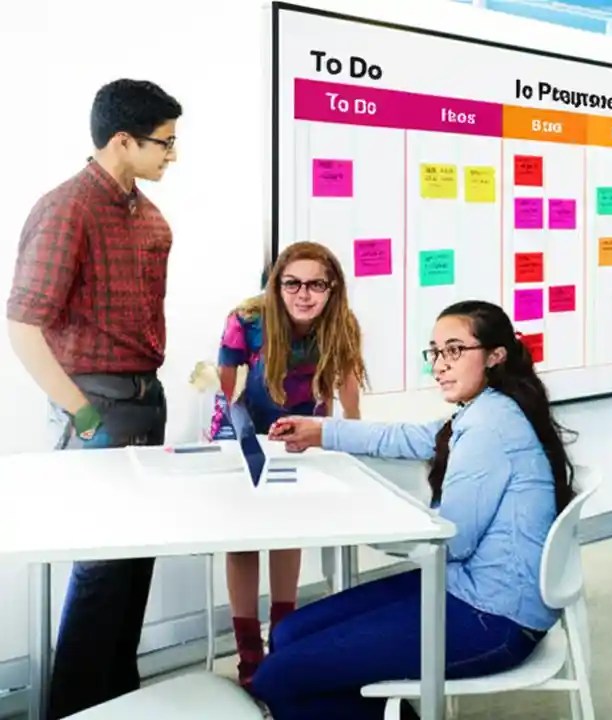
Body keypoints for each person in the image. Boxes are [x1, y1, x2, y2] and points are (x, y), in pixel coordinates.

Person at [249, 300, 574, 720]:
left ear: (496, 356)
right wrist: (323, 431)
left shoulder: (490, 425)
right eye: (435, 352)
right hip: (466, 589)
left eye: (455, 350)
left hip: (494, 619)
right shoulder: (484, 409)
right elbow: (409, 437)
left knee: (279, 677)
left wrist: (366, 518)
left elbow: (450, 541)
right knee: (289, 632)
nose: (440, 365)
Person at [5, 79, 182, 718]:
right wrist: (81, 413)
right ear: (122, 141)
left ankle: (119, 703)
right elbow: (22, 324)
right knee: (103, 571)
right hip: (98, 406)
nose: (173, 154)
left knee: (134, 567)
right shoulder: (68, 209)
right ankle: (76, 709)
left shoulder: (151, 216)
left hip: (146, 398)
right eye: (164, 142)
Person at [209, 241, 369, 686]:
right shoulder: (246, 320)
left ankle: (284, 642)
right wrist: (251, 448)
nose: (304, 294)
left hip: (299, 427)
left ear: (332, 287)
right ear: (277, 284)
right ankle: (248, 658)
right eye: (292, 283)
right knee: (243, 538)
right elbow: (229, 392)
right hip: (239, 426)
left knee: (288, 529)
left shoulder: (341, 323)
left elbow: (346, 387)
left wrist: (350, 437)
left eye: (316, 284)